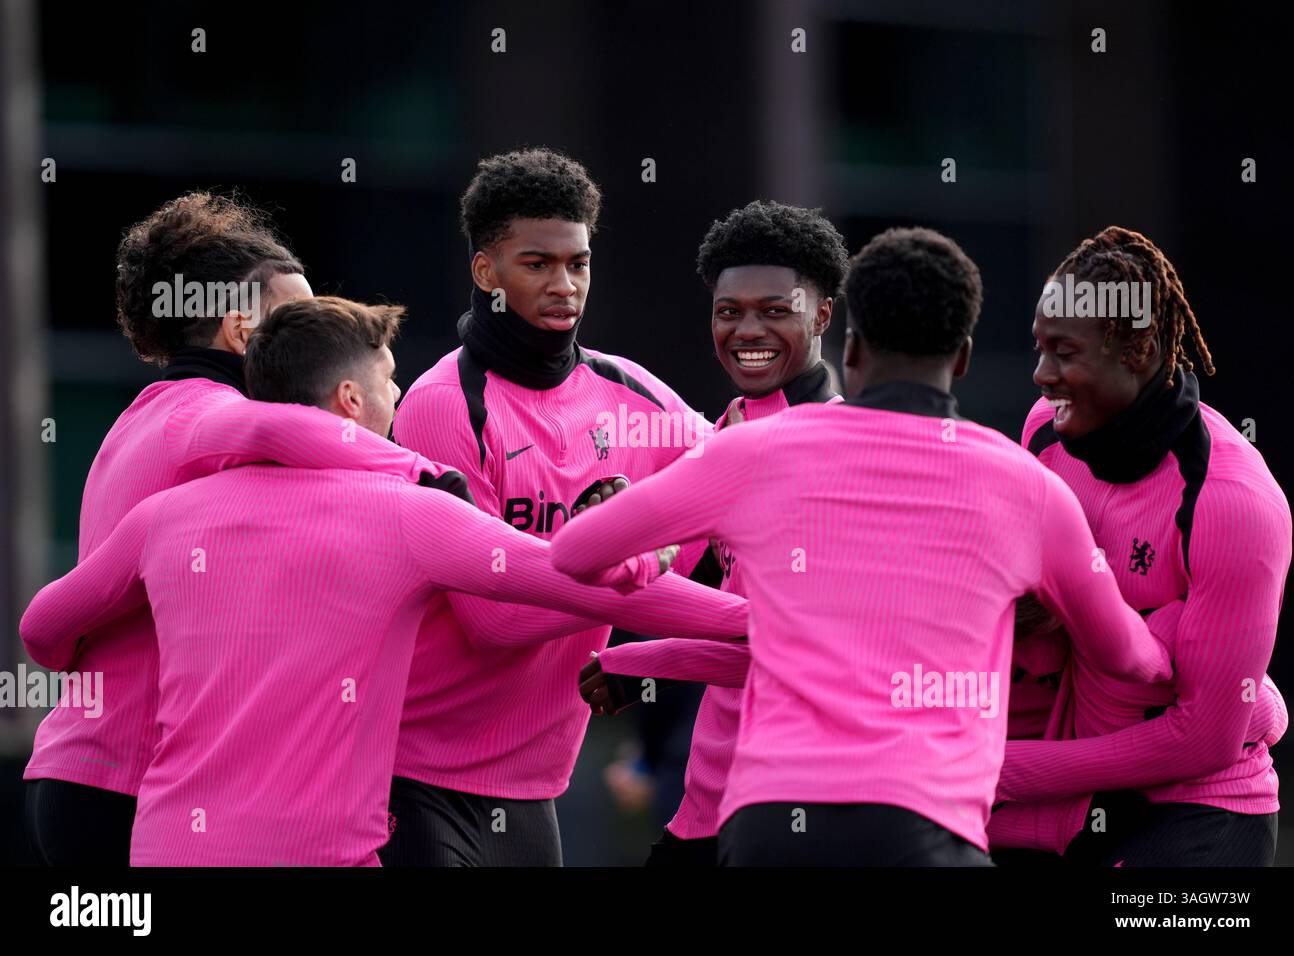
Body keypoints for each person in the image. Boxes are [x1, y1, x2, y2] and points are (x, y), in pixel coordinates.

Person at [20, 296, 749, 867]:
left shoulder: (163, 519)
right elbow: (571, 579)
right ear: (348, 399)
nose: (399, 404)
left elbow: (44, 630)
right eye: (390, 382)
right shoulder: (407, 513)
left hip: (170, 849)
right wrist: (745, 621)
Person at [551, 227, 1177, 866]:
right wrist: (1193, 663)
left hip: (766, 826)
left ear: (849, 346)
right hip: (922, 827)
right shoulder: (1028, 486)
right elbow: (1126, 656)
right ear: (961, 357)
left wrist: (639, 557)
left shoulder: (747, 451)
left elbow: (574, 553)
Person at [22, 192, 453, 866]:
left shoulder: (139, 417)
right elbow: (277, 426)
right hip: (129, 792)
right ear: (242, 332)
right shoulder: (208, 415)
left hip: (83, 775)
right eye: (300, 317)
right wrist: (425, 476)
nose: (322, 334)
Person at [383, 148, 717, 866]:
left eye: (579, 263)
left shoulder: (629, 393)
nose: (565, 285)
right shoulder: (444, 408)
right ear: (486, 273)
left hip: (537, 785)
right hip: (416, 779)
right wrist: (613, 566)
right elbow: (492, 621)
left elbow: (731, 478)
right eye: (537, 264)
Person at [990, 226, 1290, 865]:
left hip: (1200, 812)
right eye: (1039, 349)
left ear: (1139, 349)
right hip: (1071, 802)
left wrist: (996, 768)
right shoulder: (1044, 433)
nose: (1042, 376)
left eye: (1064, 353)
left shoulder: (1233, 502)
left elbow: (1204, 741)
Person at [581, 200, 850, 866]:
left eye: (774, 310)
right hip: (709, 798)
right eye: (729, 312)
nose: (747, 330)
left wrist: (640, 660)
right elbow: (689, 578)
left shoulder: (832, 447)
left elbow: (782, 638)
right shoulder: (731, 425)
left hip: (795, 804)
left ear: (821, 314)